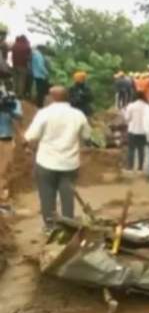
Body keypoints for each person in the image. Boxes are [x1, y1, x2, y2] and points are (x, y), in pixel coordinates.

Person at [23, 86, 91, 232]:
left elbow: (30, 136)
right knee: (67, 194)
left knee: (47, 195)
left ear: (51, 97)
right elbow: (87, 135)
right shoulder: (78, 114)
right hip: (69, 163)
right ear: (67, 97)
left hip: (46, 162)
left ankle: (50, 226)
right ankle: (68, 227)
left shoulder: (44, 114)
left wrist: (28, 145)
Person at [0, 85, 22, 200]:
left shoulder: (13, 101)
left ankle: (3, 194)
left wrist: (8, 110)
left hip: (6, 139)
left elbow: (18, 117)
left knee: (4, 167)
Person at [123, 91, 148, 175]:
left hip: (132, 131)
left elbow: (127, 118)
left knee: (131, 150)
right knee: (141, 150)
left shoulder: (131, 106)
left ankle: (130, 168)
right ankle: (140, 168)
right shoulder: (147, 106)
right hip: (143, 131)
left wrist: (124, 112)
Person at [10, 35, 31, 99]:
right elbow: (29, 57)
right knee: (22, 81)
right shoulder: (26, 46)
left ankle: (14, 93)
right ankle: (20, 95)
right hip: (23, 66)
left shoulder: (14, 45)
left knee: (15, 80)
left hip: (14, 65)